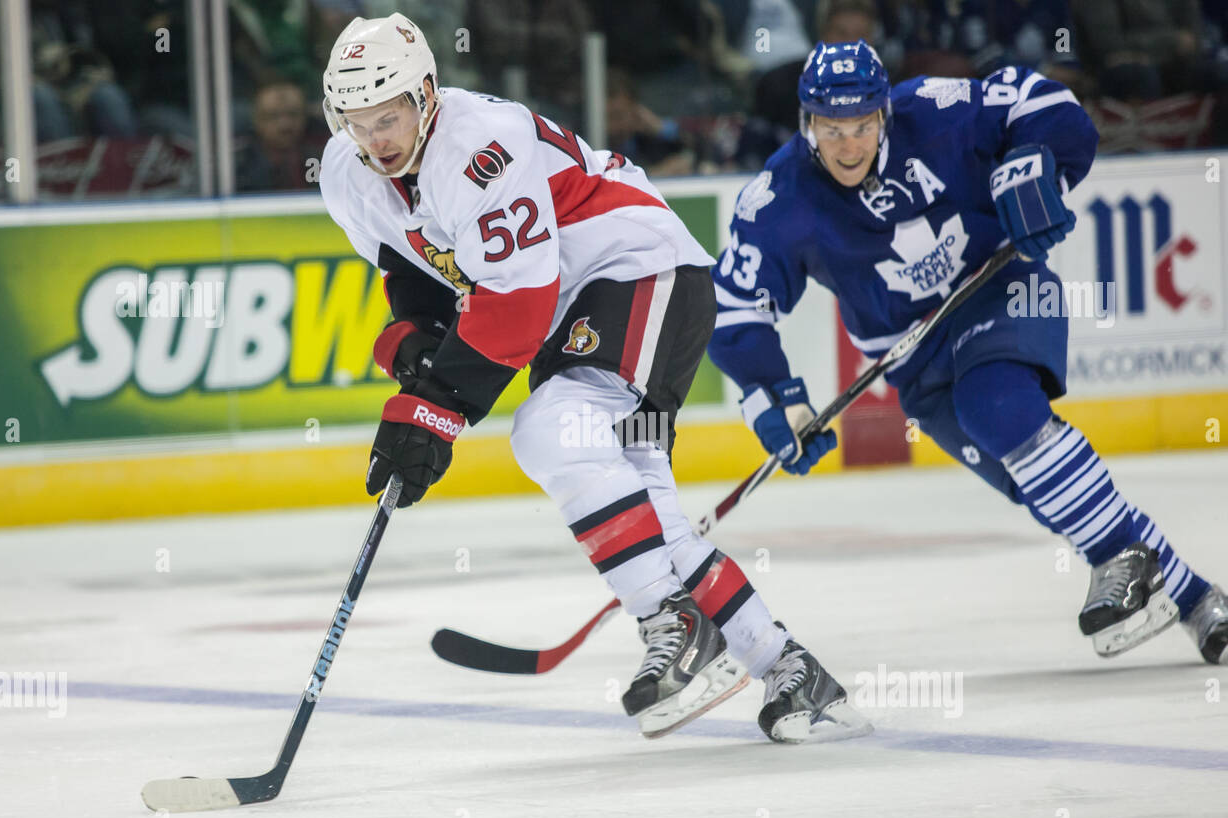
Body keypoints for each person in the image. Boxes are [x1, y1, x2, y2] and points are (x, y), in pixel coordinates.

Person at [317, 13, 872, 742]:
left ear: (426, 94)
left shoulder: (477, 145)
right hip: (591, 313)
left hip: (641, 274)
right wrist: (418, 347)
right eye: (357, 123)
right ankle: (794, 675)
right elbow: (413, 267)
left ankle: (671, 622)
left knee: (550, 427)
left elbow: (515, 309)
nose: (375, 139)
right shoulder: (345, 172)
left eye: (388, 117)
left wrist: (433, 411)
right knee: (645, 511)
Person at [709, 40, 1228, 666]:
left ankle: (1128, 564)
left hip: (1004, 284)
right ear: (807, 123)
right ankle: (1193, 596)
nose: (849, 145)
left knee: (996, 407)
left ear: (884, 113)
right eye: (832, 129)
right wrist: (774, 397)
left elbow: (1044, 102)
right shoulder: (780, 199)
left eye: (862, 125)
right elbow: (737, 310)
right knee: (1037, 480)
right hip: (912, 360)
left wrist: (1035, 163)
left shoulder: (936, 109)